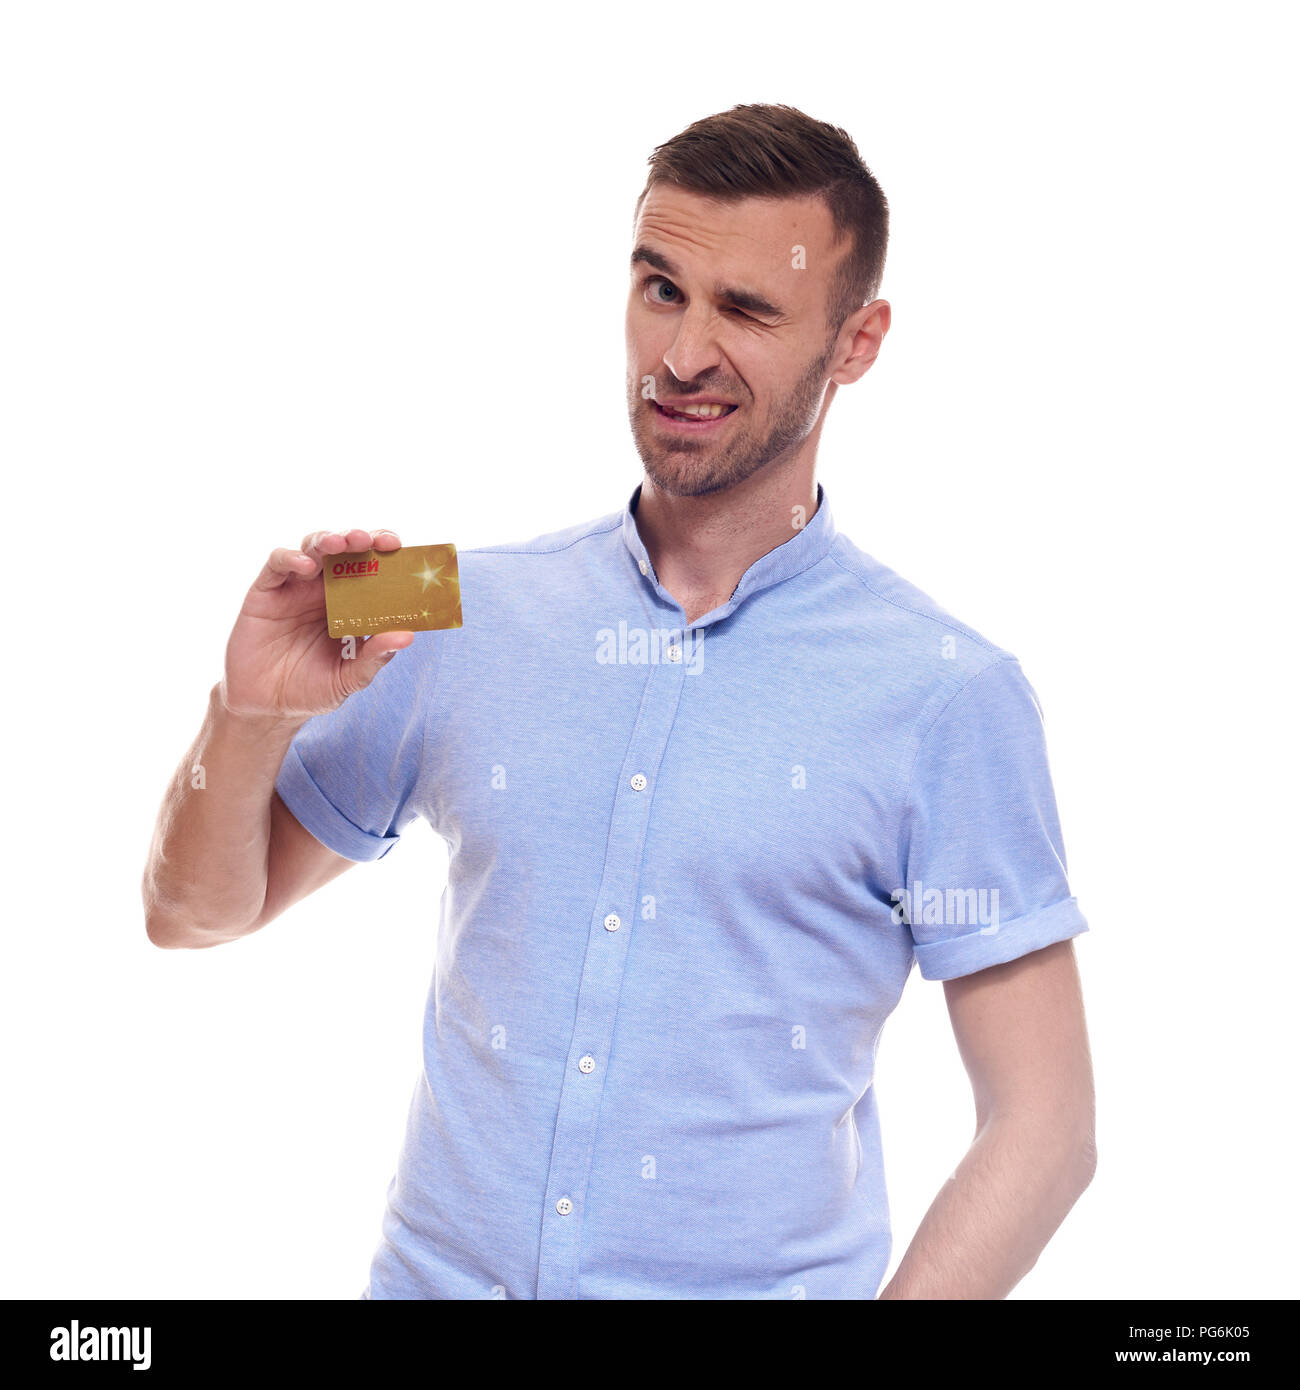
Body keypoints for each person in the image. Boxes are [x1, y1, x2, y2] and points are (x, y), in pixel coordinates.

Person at [142, 103, 1096, 1300]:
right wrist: (248, 716)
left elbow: (1046, 1128)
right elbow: (190, 916)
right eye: (660, 289)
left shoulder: (950, 694)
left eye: (746, 309)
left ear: (856, 343)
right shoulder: (447, 599)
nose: (682, 355)